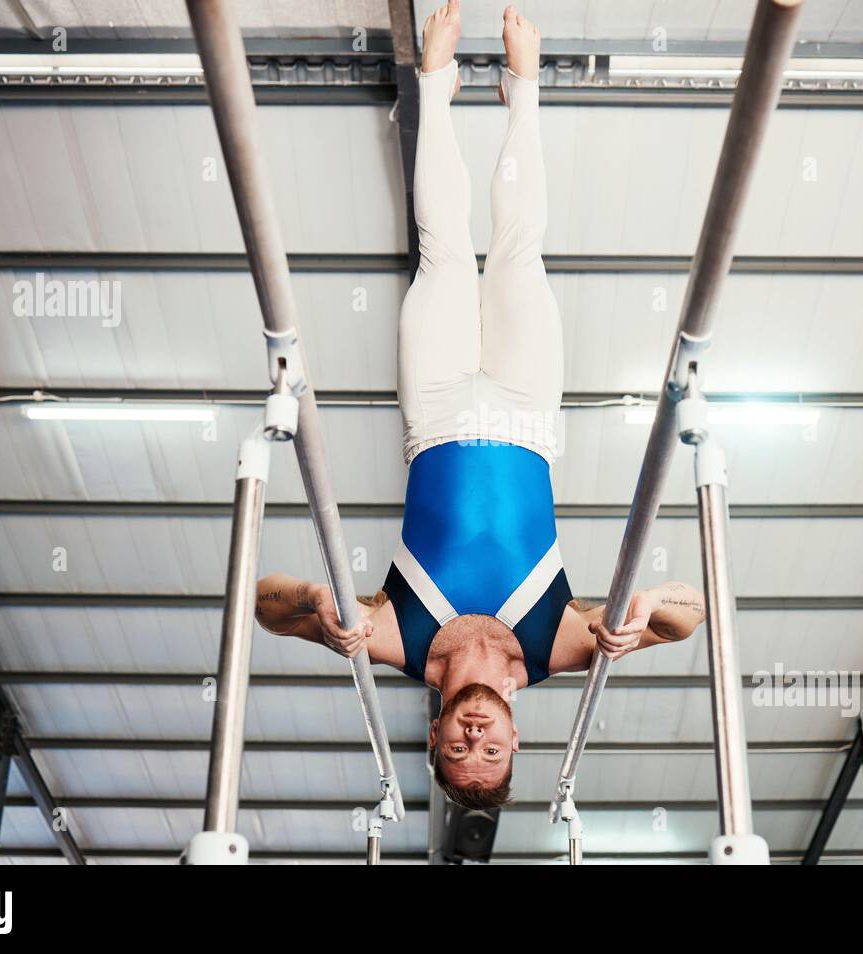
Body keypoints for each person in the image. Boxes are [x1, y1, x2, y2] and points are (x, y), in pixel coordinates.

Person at [256, 2, 705, 811]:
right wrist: (643, 611)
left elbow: (264, 606)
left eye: (461, 750)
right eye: (491, 751)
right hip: (529, 412)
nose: (474, 740)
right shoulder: (557, 646)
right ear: (515, 739)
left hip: (433, 414)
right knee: (518, 248)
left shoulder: (395, 642)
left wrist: (321, 608)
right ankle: (523, 89)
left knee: (439, 250)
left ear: (432, 736)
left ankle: (434, 81)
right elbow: (692, 616)